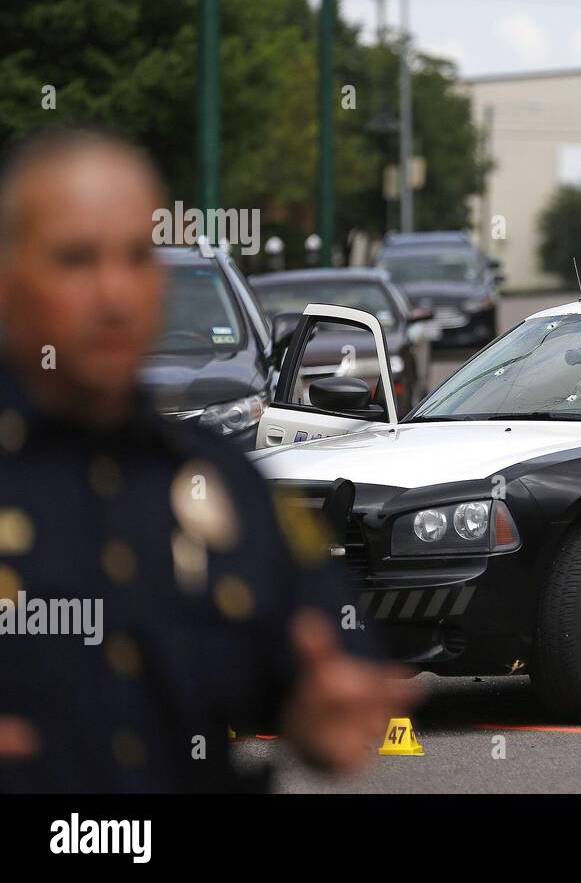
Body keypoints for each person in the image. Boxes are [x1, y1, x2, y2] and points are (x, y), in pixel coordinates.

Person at [0, 127, 415, 792]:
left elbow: (328, 653)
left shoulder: (220, 480)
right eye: (76, 260)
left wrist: (325, 708)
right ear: (9, 281)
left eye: (138, 258)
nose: (113, 295)